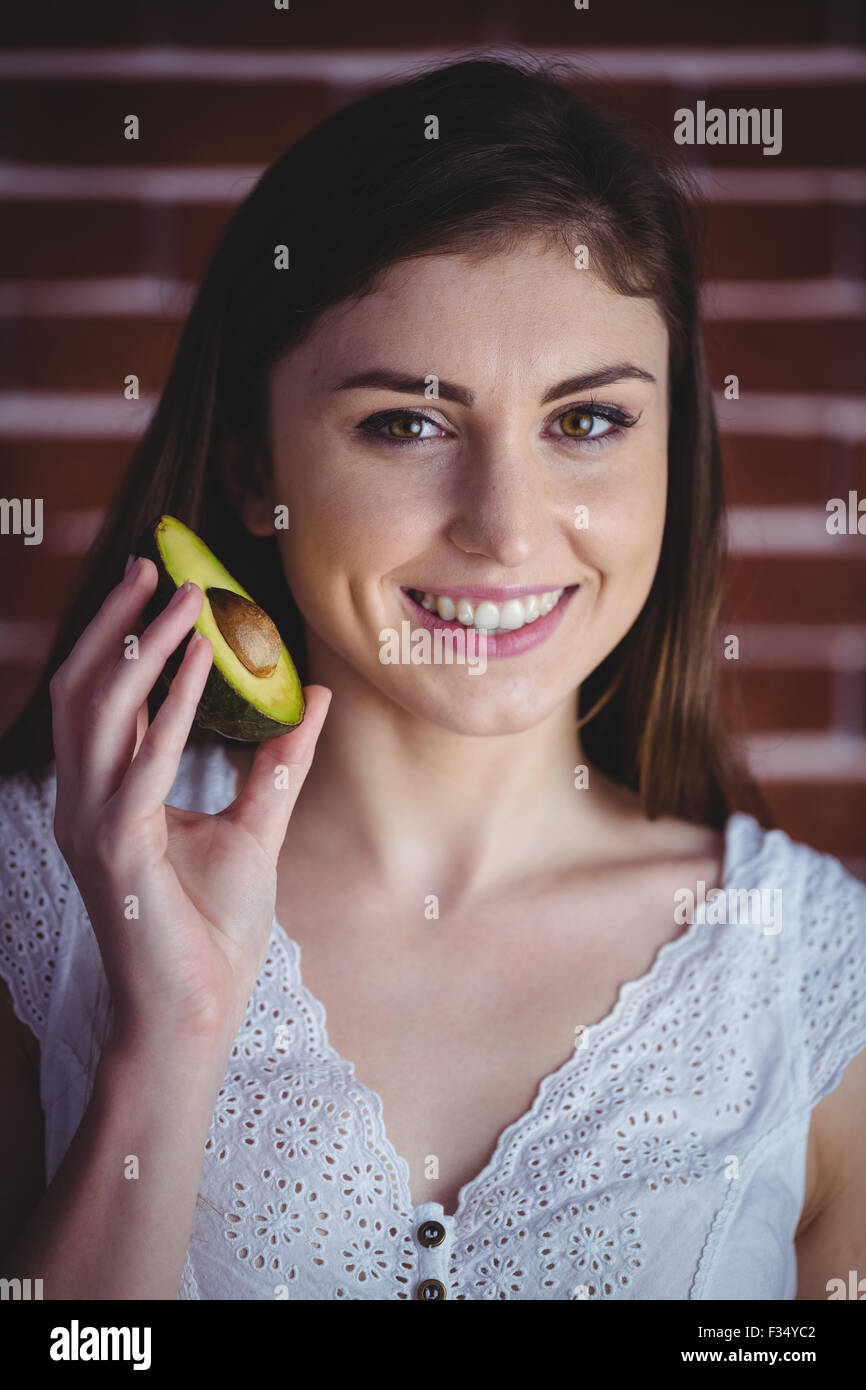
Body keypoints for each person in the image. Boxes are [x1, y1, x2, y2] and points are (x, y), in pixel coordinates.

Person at [1, 52, 864, 1302]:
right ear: (255, 468)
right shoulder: (38, 892)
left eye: (587, 420)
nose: (505, 529)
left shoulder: (812, 968)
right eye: (406, 423)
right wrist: (166, 1041)